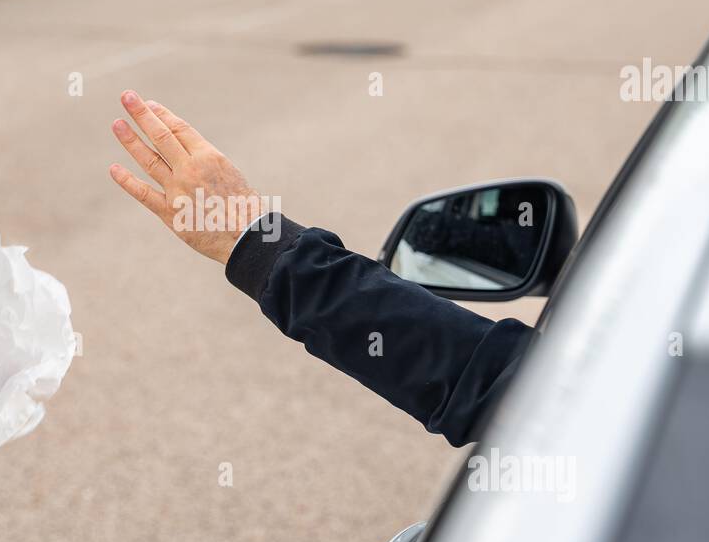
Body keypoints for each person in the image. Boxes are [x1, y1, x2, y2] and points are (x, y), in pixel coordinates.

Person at [107, 90, 533, 447]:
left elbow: (480, 376)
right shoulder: (575, 407)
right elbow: (490, 378)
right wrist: (256, 240)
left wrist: (256, 240)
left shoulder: (566, 407)